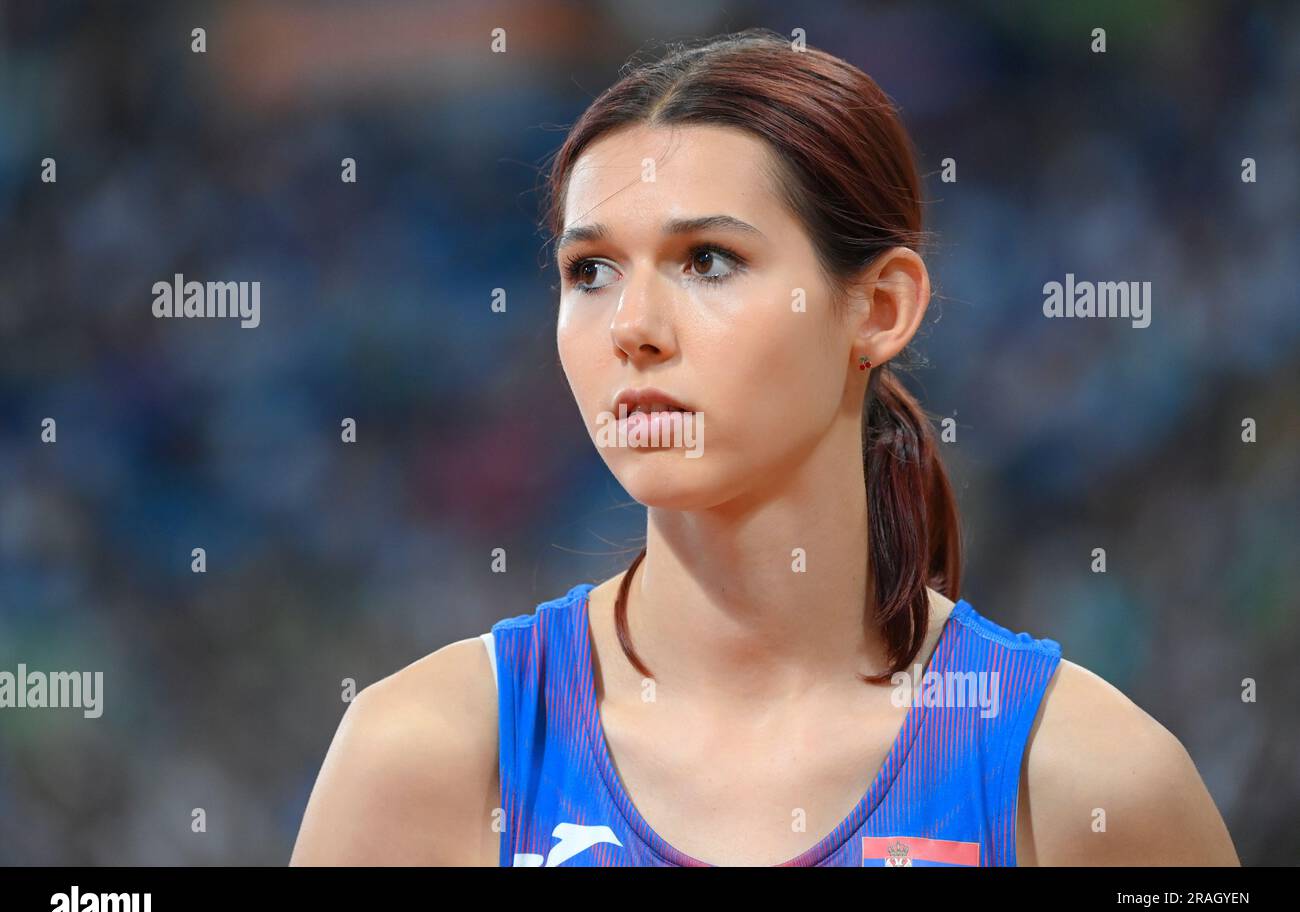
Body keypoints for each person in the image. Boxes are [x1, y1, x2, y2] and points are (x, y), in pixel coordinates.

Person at [290, 29, 1239, 867]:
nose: (633, 327)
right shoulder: (426, 757)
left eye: (708, 259)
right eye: (591, 271)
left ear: (879, 307)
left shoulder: (1091, 783)